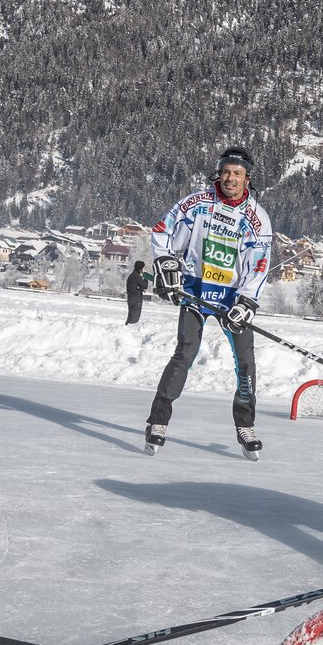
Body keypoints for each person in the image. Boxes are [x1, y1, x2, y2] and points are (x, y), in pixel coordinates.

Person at [144, 147, 274, 459]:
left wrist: (246, 301)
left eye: (237, 173)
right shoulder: (196, 203)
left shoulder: (258, 219)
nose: (231, 178)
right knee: (185, 352)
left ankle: (246, 425)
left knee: (246, 361)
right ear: (219, 173)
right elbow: (162, 231)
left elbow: (259, 263)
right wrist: (165, 264)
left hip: (232, 298)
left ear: (247, 179)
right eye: (227, 171)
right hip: (194, 289)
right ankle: (157, 422)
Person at [125, 259, 148, 324]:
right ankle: (127, 332)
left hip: (132, 299)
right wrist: (146, 276)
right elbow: (145, 285)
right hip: (135, 301)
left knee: (131, 318)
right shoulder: (136, 276)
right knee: (133, 321)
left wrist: (139, 288)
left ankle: (126, 330)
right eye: (143, 268)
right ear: (140, 269)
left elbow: (134, 286)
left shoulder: (132, 275)